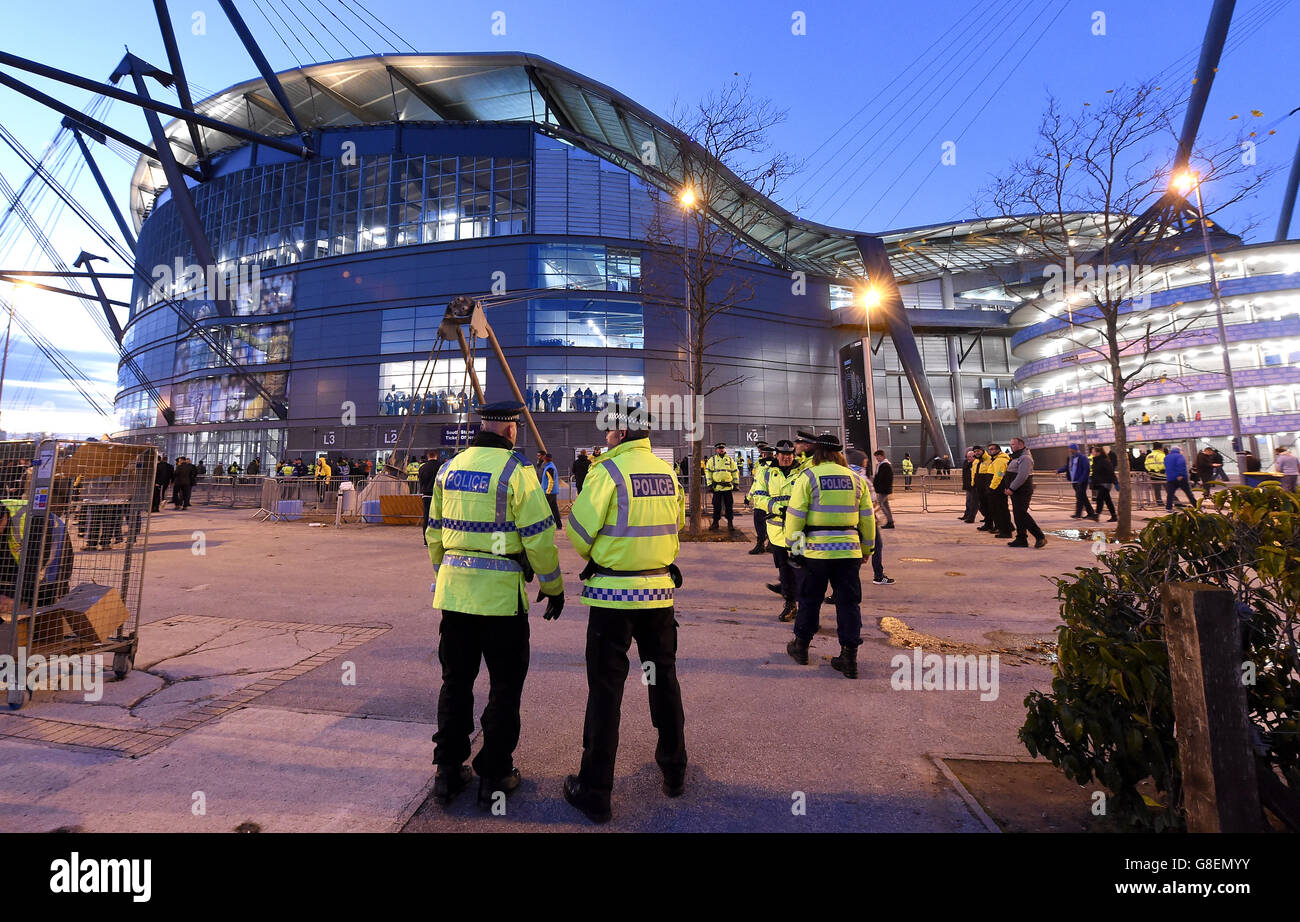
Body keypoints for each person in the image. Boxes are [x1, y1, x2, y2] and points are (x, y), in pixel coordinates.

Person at [426, 400, 564, 808]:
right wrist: (553, 587)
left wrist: (446, 572)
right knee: (504, 687)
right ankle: (495, 775)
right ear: (510, 431)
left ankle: (448, 773)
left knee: (455, 682)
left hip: (454, 596)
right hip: (502, 601)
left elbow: (433, 531)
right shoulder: (517, 472)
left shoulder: (449, 468)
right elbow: (539, 536)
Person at [562, 405, 686, 824]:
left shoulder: (606, 473)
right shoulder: (667, 473)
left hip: (613, 599)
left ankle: (596, 791)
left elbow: (579, 533)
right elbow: (677, 526)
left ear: (618, 432)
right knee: (662, 677)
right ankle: (674, 768)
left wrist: (603, 554)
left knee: (605, 691)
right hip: (658, 595)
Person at [784, 432, 876, 679]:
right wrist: (867, 549)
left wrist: (793, 548)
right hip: (849, 551)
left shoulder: (809, 476)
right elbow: (868, 519)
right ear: (838, 453)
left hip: (816, 552)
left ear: (817, 453)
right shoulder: (856, 479)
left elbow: (795, 517)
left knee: (810, 599)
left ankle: (801, 647)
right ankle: (849, 657)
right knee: (848, 603)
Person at [764, 440, 808, 622]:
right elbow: (759, 497)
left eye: (789, 453)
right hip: (777, 532)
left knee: (801, 570)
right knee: (785, 571)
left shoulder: (803, 472)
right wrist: (777, 508)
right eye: (782, 454)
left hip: (797, 531)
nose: (786, 457)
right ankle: (790, 605)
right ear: (776, 455)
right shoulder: (767, 474)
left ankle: (806, 609)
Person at [847, 447, 892, 585]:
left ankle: (877, 574)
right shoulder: (861, 478)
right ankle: (877, 575)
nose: (866, 463)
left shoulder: (850, 475)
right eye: (865, 461)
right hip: (867, 520)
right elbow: (871, 502)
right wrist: (878, 517)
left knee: (870, 548)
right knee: (874, 547)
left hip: (859, 519)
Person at [1004, 437, 1046, 548]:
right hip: (1016, 490)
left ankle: (1040, 536)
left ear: (1021, 445)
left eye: (1013, 444)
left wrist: (1011, 488)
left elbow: (1022, 476)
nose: (1011, 446)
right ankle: (1021, 538)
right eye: (1011, 444)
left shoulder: (1025, 458)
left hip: (1022, 489)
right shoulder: (1015, 457)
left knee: (1021, 513)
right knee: (1018, 515)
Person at [746, 442, 775, 555]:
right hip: (761, 501)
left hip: (767, 500)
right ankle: (763, 545)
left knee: (764, 523)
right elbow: (756, 483)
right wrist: (749, 497)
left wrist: (749, 497)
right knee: (763, 523)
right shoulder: (760, 465)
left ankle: (767, 544)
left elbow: (756, 483)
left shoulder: (773, 465)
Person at [979, 444, 1012, 538]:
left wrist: (992, 487)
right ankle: (1006, 529)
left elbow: (999, 475)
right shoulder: (997, 460)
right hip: (996, 488)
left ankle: (1005, 531)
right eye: (989, 449)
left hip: (997, 489)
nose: (990, 451)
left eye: (992, 449)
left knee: (1000, 510)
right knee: (1001, 510)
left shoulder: (1000, 461)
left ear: (998, 450)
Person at [705, 442, 739, 531]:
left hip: (728, 487)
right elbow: (708, 472)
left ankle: (730, 523)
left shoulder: (730, 460)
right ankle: (715, 523)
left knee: (729, 506)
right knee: (716, 506)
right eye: (719, 448)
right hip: (717, 487)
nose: (721, 449)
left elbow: (735, 472)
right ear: (716, 450)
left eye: (722, 448)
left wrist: (736, 484)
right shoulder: (712, 460)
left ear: (724, 449)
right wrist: (709, 484)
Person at [1056, 443, 1095, 520]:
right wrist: (1059, 470)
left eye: (1071, 449)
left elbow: (1086, 470)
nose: (1069, 450)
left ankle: (1079, 514)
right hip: (1074, 481)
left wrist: (1081, 480)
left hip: (1081, 481)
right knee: (1082, 497)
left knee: (1080, 497)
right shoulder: (1071, 458)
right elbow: (1067, 467)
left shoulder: (1082, 458)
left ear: (1074, 449)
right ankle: (1090, 513)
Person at [418, 450, 442, 545]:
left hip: (426, 495)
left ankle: (426, 540)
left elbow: (421, 481)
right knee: (440, 517)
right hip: (438, 495)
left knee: (427, 517)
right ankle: (439, 541)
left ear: (428, 457)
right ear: (436, 456)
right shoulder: (441, 467)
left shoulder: (422, 467)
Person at [1089, 445, 1118, 520]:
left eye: (1093, 452)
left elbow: (1111, 472)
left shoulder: (1104, 461)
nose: (1092, 453)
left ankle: (1097, 514)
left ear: (1098, 453)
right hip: (1100, 483)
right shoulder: (1096, 461)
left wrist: (1116, 482)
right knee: (1107, 500)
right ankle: (1114, 516)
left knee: (1100, 498)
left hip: (1106, 483)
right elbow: (1095, 473)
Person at [871, 450, 895, 528]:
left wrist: (880, 488)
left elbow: (884, 479)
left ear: (882, 456)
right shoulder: (883, 465)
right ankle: (890, 521)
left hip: (883, 490)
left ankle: (889, 521)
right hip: (884, 489)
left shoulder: (885, 465)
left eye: (877, 456)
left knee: (880, 504)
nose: (877, 458)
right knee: (885, 505)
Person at [540, 452, 562, 530]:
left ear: (545, 459)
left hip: (549, 492)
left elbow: (551, 481)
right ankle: (558, 525)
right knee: (554, 509)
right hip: (552, 492)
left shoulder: (549, 468)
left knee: (546, 510)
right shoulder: (551, 466)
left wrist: (548, 492)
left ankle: (547, 525)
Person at [958, 448, 980, 523]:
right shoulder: (966, 463)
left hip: (974, 486)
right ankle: (967, 515)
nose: (969, 458)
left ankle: (971, 517)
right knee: (968, 501)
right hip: (968, 485)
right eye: (968, 456)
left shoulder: (977, 463)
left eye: (971, 456)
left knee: (975, 502)